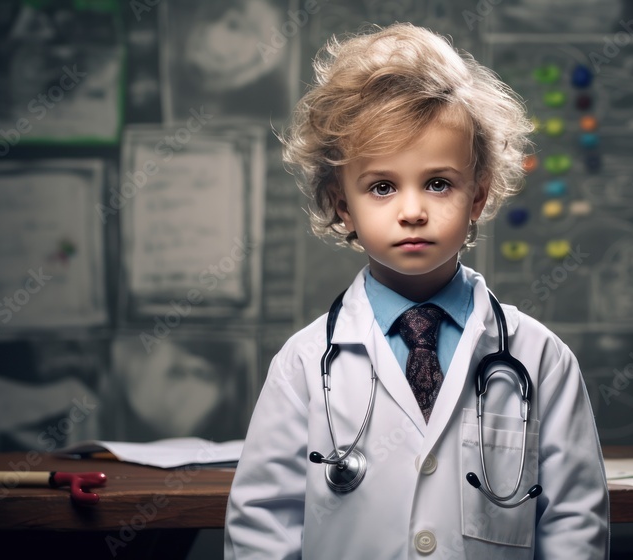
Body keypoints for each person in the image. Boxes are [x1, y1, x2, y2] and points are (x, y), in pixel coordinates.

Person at [225, 23, 609, 559]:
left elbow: (574, 526)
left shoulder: (540, 359)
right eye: (382, 186)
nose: (412, 211)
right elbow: (262, 532)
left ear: (477, 196)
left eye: (438, 183)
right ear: (342, 205)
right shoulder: (304, 366)